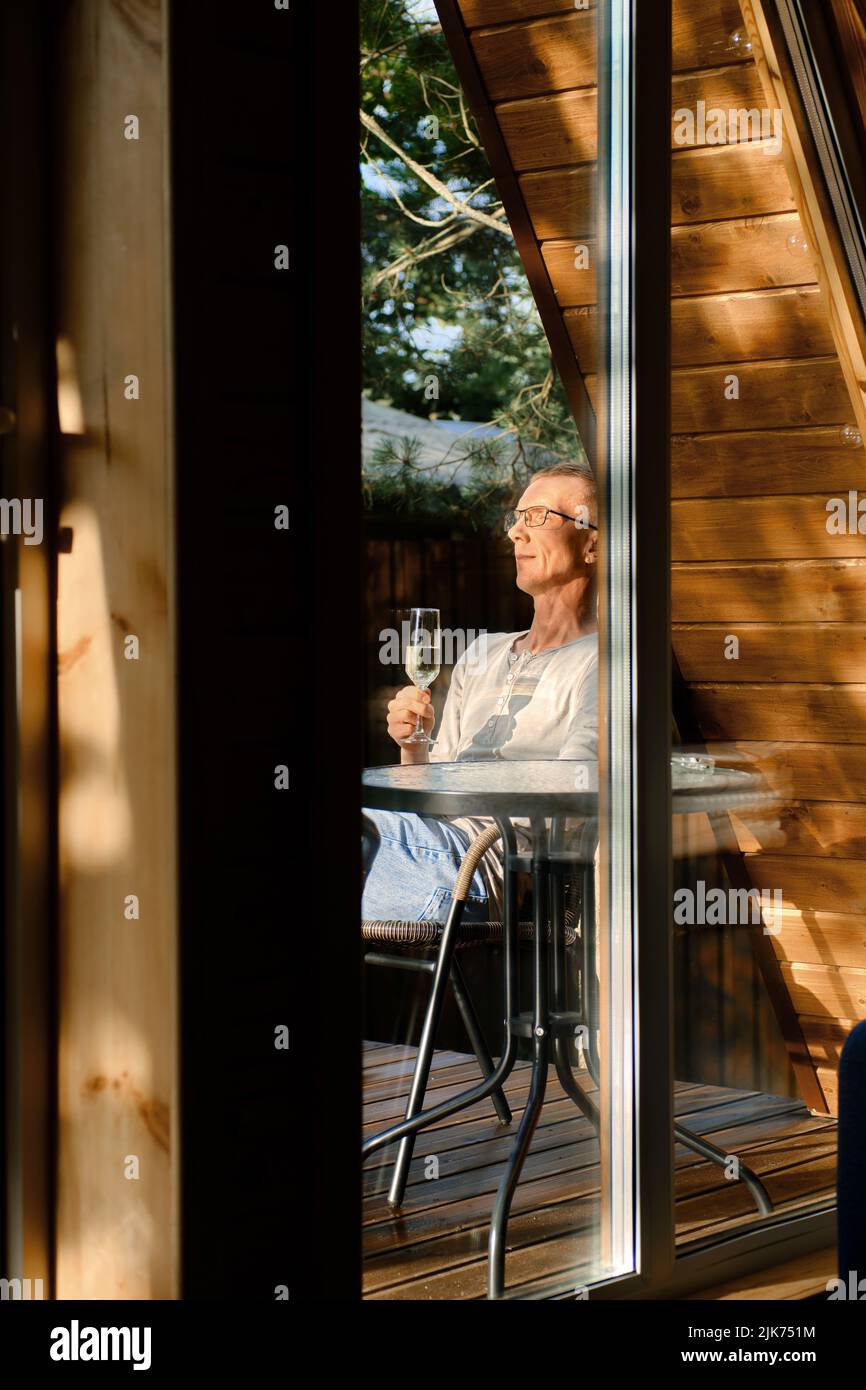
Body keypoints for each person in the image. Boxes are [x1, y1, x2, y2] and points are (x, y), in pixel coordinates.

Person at [362, 461, 599, 923]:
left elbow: (576, 797)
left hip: (481, 871)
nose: (515, 533)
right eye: (516, 518)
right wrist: (414, 748)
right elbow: (431, 794)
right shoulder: (482, 652)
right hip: (424, 845)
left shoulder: (607, 662)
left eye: (537, 517)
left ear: (592, 543)